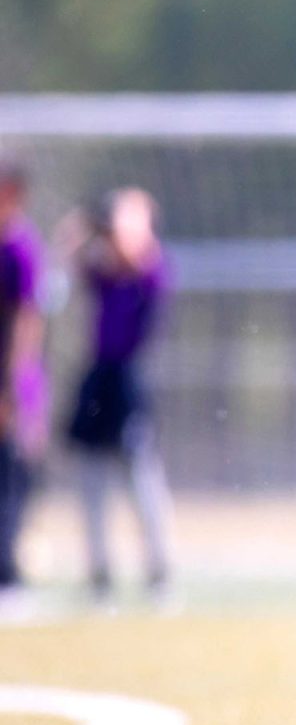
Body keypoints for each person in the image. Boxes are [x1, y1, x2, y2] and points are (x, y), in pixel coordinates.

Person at [59, 188, 175, 609]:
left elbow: (138, 257)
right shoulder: (103, 270)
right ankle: (99, 573)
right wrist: (84, 229)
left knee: (140, 477)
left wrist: (127, 226)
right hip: (98, 377)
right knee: (90, 478)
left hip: (131, 380)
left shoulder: (154, 269)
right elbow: (73, 258)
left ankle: (159, 571)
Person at [0, 162, 47, 622]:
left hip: (9, 386)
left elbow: (27, 321)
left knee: (9, 479)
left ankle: (7, 578)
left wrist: (12, 388)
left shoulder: (20, 250)